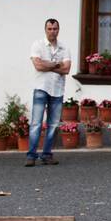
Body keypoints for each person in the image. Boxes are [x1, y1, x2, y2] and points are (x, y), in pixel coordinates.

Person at [26, 18, 70, 166]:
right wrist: (57, 64)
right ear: (45, 30)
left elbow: (67, 69)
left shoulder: (64, 47)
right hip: (41, 87)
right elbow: (38, 65)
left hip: (57, 89)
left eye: (55, 29)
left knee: (53, 124)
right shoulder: (37, 45)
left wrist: (48, 65)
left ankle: (47, 154)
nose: (52, 31)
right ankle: (31, 155)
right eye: (50, 29)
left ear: (59, 30)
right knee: (36, 123)